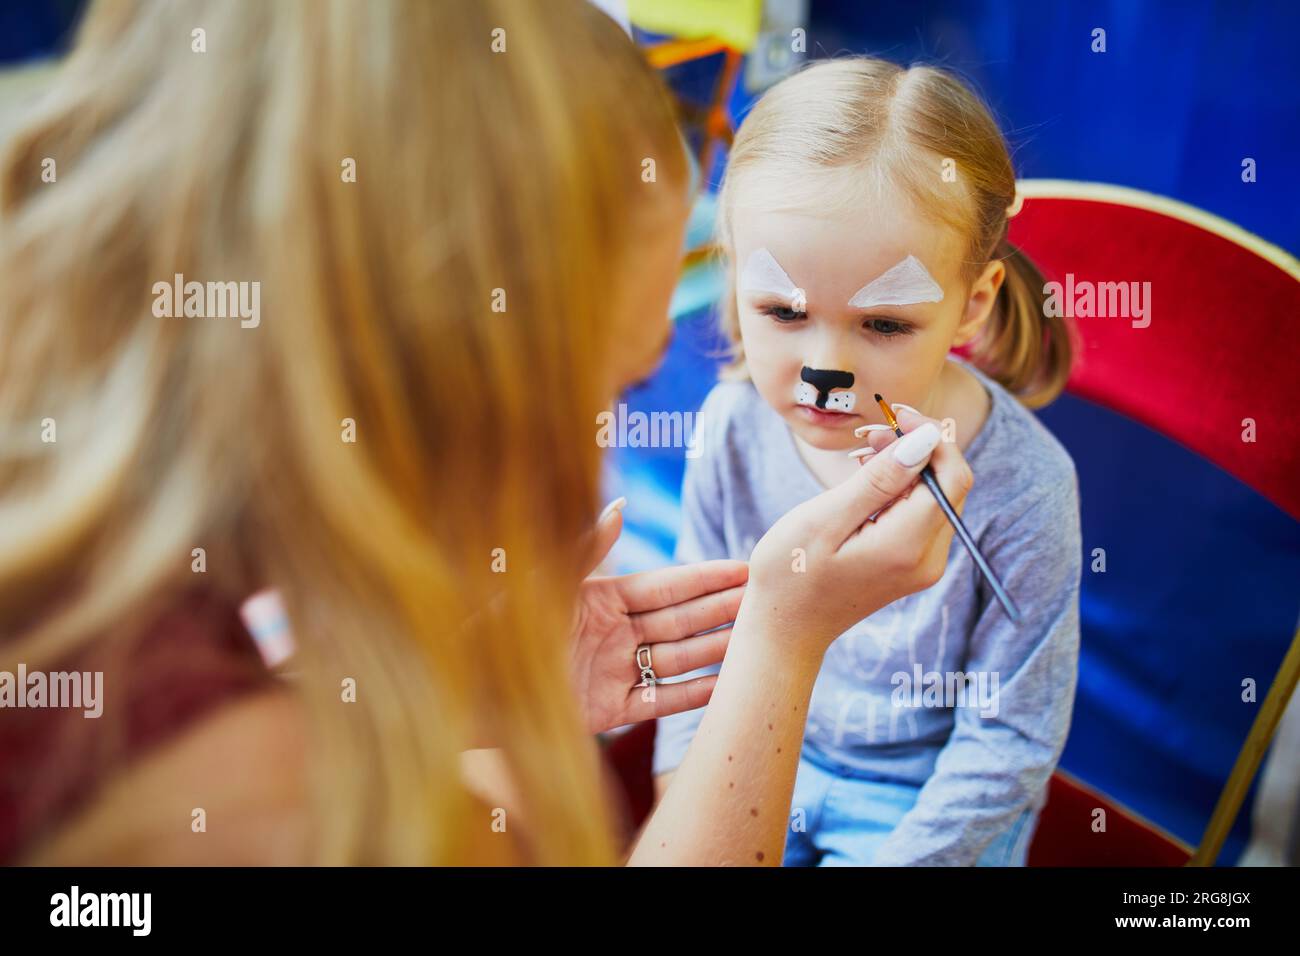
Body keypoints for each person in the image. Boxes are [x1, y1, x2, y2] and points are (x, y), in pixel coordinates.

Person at [0, 1, 970, 865]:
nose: (591, 463)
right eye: (597, 391)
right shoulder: (278, 813)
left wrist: (458, 702)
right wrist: (780, 643)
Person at [652, 57, 1082, 866]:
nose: (826, 367)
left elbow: (1012, 736)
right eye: (782, 310)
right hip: (759, 741)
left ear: (973, 303)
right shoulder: (732, 427)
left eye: (883, 325)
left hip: (921, 805)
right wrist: (681, 783)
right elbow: (697, 629)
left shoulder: (1027, 486)